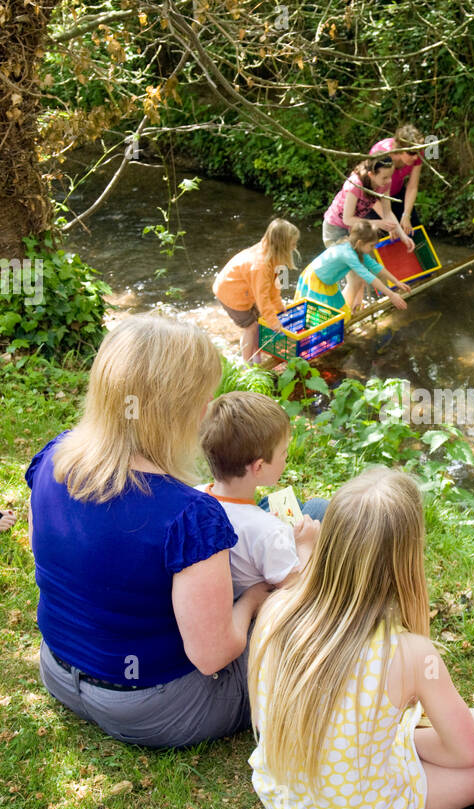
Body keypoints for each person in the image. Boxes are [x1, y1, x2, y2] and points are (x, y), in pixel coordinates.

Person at [25, 315, 270, 750]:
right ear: (177, 411)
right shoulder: (190, 514)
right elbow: (213, 655)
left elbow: (52, 558)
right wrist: (255, 599)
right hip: (154, 708)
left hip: (60, 672)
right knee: (295, 613)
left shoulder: (52, 459)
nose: (207, 409)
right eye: (203, 399)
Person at [247, 467, 474, 809]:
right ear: (407, 558)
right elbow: (468, 755)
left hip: (284, 793)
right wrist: (413, 742)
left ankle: (406, 741)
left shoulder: (277, 609)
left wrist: (409, 740)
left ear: (331, 540)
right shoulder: (410, 654)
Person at [198, 391, 323, 599]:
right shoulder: (270, 532)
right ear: (259, 467)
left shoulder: (197, 493)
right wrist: (305, 545)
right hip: (261, 610)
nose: (286, 458)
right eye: (283, 453)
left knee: (273, 504)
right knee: (319, 508)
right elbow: (299, 590)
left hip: (246, 552)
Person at [213, 217, 300, 364]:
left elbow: (274, 286)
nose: (295, 247)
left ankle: (257, 356)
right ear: (281, 245)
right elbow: (262, 298)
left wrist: (279, 307)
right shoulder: (260, 265)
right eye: (292, 244)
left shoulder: (273, 255)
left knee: (260, 321)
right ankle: (247, 364)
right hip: (230, 293)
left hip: (247, 289)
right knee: (251, 327)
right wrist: (274, 323)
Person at [295, 219, 411, 316]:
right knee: (316, 314)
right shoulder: (348, 254)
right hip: (316, 279)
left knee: (339, 314)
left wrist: (397, 282)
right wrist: (391, 295)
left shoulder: (356, 248)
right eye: (371, 245)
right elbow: (369, 277)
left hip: (327, 280)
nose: (373, 249)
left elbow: (376, 267)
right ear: (360, 243)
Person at [322, 156, 414, 253]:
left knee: (362, 258)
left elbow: (387, 214)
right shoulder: (355, 185)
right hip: (335, 227)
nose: (389, 181)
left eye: (390, 176)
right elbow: (347, 219)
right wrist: (378, 223)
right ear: (371, 175)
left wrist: (403, 236)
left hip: (355, 227)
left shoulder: (385, 184)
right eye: (385, 177)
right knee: (347, 261)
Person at [369, 124, 425, 237]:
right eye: (411, 153)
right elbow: (369, 192)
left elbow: (412, 186)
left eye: (418, 152)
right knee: (386, 236)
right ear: (399, 149)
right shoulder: (382, 155)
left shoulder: (416, 154)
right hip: (375, 198)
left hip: (397, 193)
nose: (416, 157)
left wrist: (406, 215)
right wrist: (388, 220)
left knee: (413, 231)